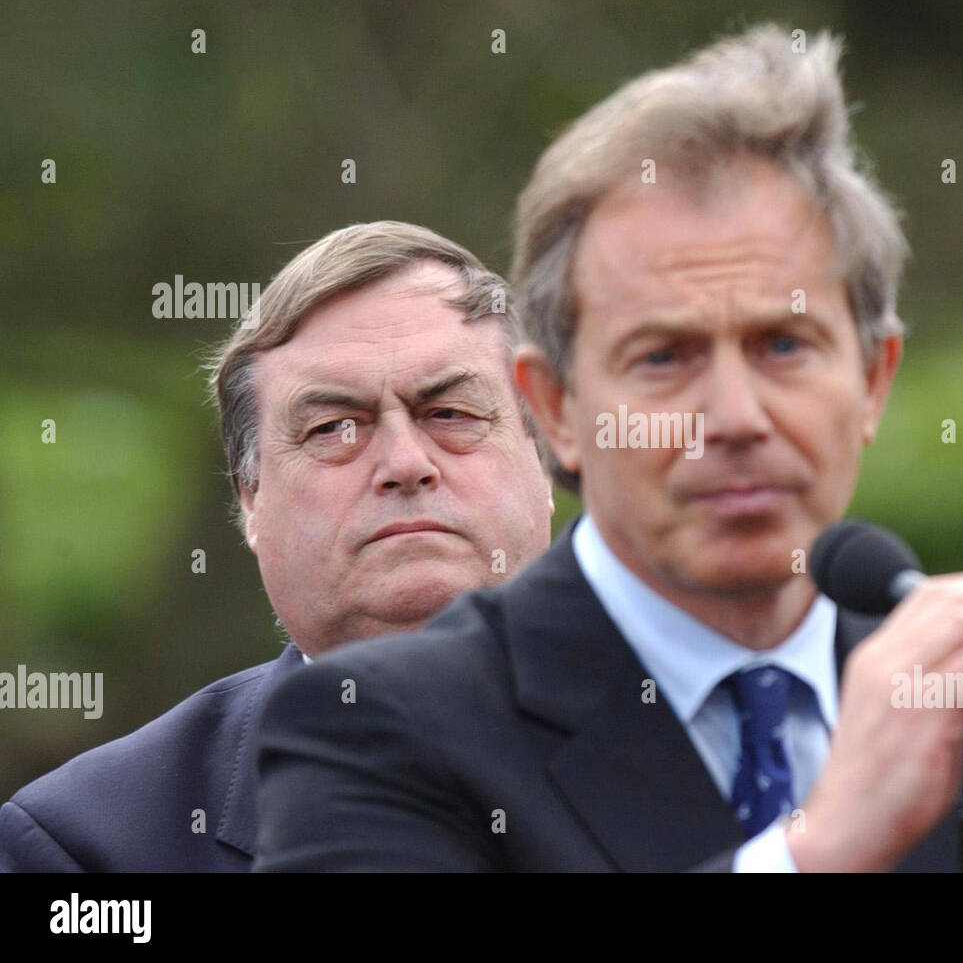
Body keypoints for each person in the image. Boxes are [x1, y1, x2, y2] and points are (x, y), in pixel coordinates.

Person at [254, 28, 963, 872]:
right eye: (665, 357)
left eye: (783, 346)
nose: (733, 417)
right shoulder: (378, 730)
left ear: (875, 380)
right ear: (557, 408)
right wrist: (815, 851)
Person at [0, 222, 554, 871]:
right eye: (334, 427)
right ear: (250, 499)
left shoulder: (695, 748)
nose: (405, 462)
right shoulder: (82, 849)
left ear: (545, 457)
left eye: (451, 414)